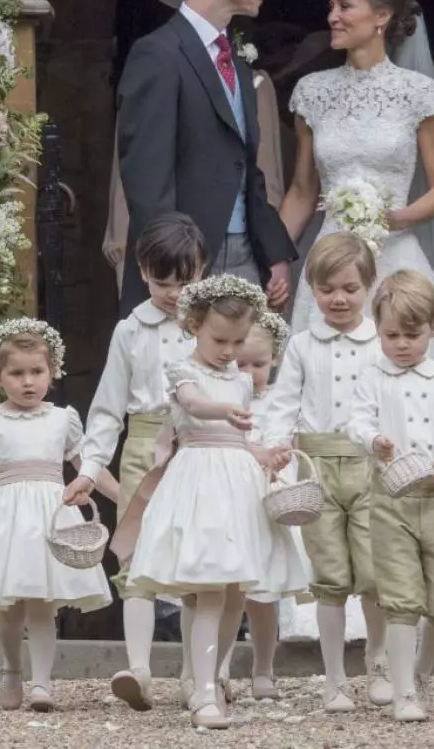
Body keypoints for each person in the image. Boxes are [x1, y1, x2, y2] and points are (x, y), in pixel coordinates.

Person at [278, 0, 434, 637]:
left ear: (381, 17)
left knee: (412, 408)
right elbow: (301, 190)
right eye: (331, 4)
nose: (332, 15)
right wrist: (276, 257)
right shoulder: (312, 95)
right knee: (323, 409)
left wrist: (389, 218)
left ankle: (426, 577)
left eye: (344, 5)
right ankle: (325, 587)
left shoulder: (417, 92)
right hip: (328, 265)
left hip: (395, 262)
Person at [124, 275, 309, 730]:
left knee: (234, 594)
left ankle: (212, 674)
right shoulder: (183, 370)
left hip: (238, 487)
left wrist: (266, 454)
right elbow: (193, 404)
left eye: (239, 341)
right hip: (200, 482)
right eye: (219, 340)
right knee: (209, 589)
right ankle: (203, 693)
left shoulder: (239, 380)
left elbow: (241, 441)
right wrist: (221, 409)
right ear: (193, 326)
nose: (229, 351)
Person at [116, 0, 295, 316]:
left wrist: (274, 251)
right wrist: (172, 270)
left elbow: (245, 165)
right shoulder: (157, 55)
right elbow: (147, 181)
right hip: (187, 264)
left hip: (246, 258)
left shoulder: (235, 58)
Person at [63, 213, 206, 711]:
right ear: (143, 272)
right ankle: (140, 669)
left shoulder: (210, 325)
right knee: (137, 562)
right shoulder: (130, 330)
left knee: (196, 562)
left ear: (201, 271)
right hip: (144, 450)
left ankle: (196, 674)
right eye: (161, 281)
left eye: (183, 282)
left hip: (197, 451)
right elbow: (106, 411)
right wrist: (87, 470)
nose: (171, 293)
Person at [0, 319, 112, 712]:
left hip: (49, 518)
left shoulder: (62, 419)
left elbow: (89, 467)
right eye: (17, 374)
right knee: (9, 608)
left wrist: (127, 497)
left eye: (37, 372)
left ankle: (43, 683)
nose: (28, 382)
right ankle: (12, 668)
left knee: (41, 604)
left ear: (52, 371)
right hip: (5, 521)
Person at [346, 270, 434, 723]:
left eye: (412, 334)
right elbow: (356, 421)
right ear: (378, 330)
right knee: (402, 600)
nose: (401, 344)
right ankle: (405, 692)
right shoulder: (373, 378)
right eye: (391, 335)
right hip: (392, 500)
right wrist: (374, 442)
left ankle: (419, 672)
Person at [261, 232, 392, 709]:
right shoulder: (300, 346)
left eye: (351, 289)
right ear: (312, 288)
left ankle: (378, 661)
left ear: (370, 288)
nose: (339, 298)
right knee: (330, 577)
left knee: (375, 571)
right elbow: (283, 402)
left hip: (369, 467)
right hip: (316, 471)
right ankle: (334, 676)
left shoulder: (380, 343)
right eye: (327, 288)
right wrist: (277, 449)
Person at [209, 309, 300, 702]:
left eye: (258, 364)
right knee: (228, 590)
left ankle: (264, 669)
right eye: (240, 363)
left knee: (263, 596)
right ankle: (220, 667)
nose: (248, 372)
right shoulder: (221, 399)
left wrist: (281, 457)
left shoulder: (281, 401)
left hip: (267, 503)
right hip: (231, 500)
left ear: (275, 359)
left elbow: (292, 442)